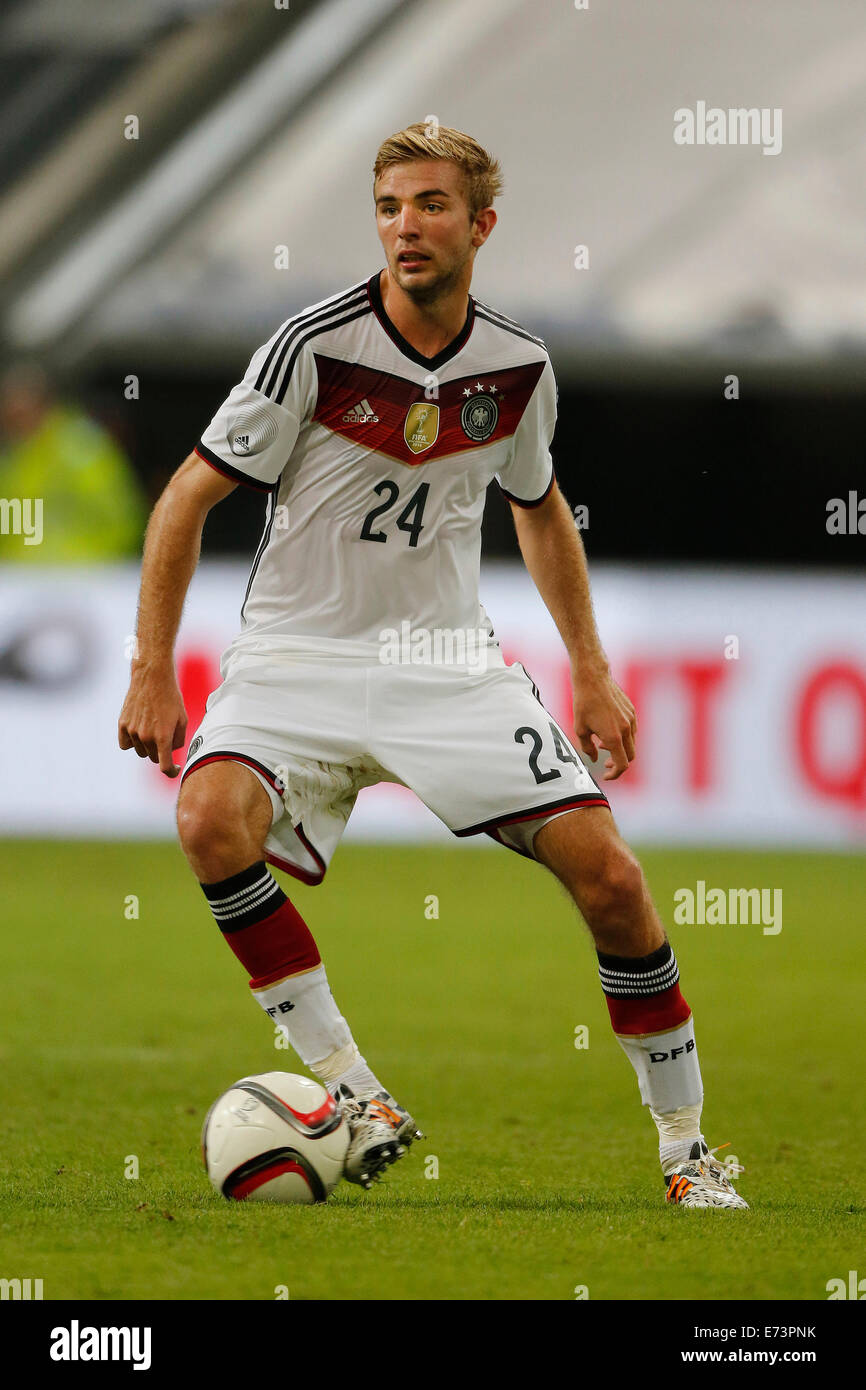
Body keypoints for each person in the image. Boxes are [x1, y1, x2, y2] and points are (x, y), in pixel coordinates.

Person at [118, 124, 746, 1208]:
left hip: (447, 665)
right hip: (295, 657)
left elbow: (539, 507)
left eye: (429, 206)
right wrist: (150, 668)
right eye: (389, 207)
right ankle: (354, 1092)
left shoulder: (517, 365)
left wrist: (589, 670)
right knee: (206, 819)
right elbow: (185, 495)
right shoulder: (309, 346)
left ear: (479, 224)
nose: (405, 226)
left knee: (613, 881)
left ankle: (687, 1153)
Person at [0, 362, 146, 563]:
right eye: (9, 415)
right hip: (21, 579)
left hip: (81, 577)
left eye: (20, 412)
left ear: (44, 405)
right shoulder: (13, 457)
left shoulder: (82, 445)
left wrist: (98, 564)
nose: (13, 422)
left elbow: (123, 518)